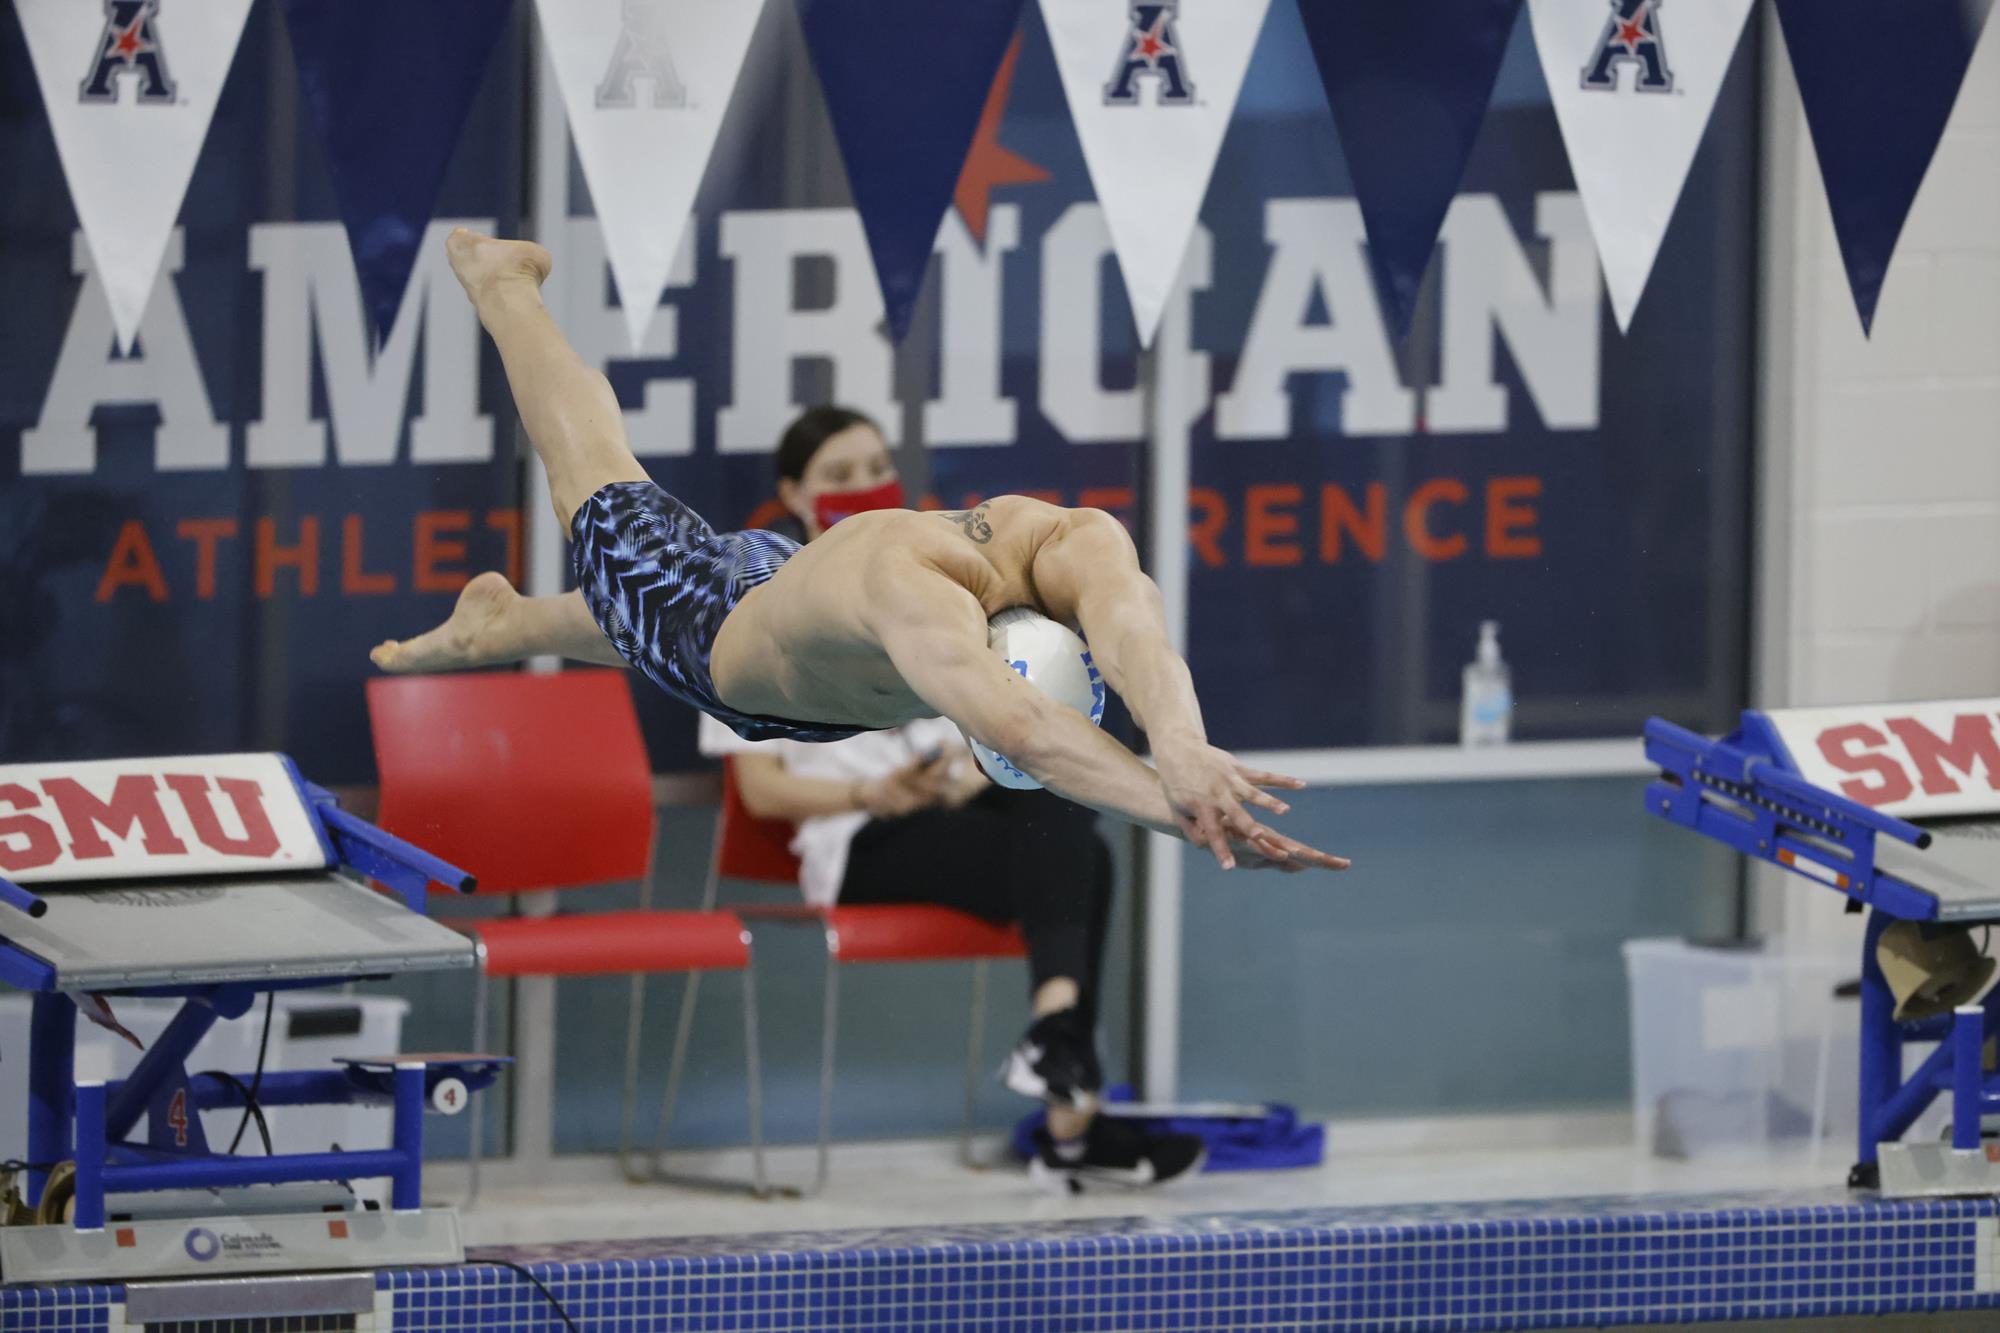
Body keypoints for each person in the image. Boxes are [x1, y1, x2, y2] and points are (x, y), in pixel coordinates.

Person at [372, 228, 1347, 882]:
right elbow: (1031, 738)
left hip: (782, 594)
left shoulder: (1071, 537)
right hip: (722, 634)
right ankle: (500, 287)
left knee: (652, 606)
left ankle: (502, 622)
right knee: (592, 472)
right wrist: (1192, 818)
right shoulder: (917, 603)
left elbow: (1140, 642)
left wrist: (1180, 745)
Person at [699, 405, 1200, 1188]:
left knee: (1057, 797)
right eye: (838, 476)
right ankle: (1068, 1100)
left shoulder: (929, 576)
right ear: (792, 492)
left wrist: (968, 768)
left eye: (875, 467)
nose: (865, 485)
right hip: (861, 835)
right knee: (1076, 854)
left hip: (941, 793)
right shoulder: (758, 604)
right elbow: (761, 794)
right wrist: (878, 790)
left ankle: (1058, 1051)